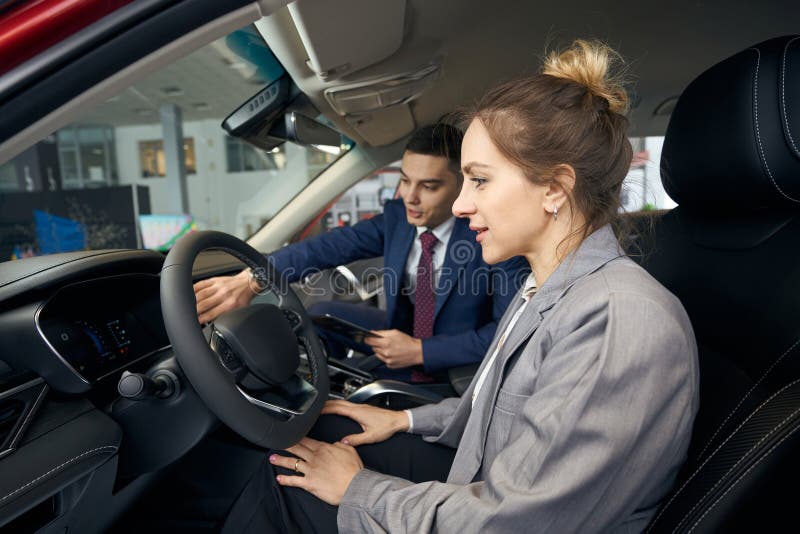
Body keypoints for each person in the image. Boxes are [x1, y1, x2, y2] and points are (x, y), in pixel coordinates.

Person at [221, 40, 699, 533]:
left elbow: (515, 521)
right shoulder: (550, 288)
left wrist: (358, 490)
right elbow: (497, 411)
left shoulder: (616, 320)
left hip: (498, 511)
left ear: (555, 188)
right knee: (321, 435)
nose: (462, 204)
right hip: (486, 476)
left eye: (479, 181)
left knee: (284, 481)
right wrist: (403, 421)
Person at [194, 125, 529, 382]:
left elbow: (505, 332)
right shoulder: (398, 218)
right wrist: (252, 280)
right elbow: (326, 248)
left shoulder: (490, 235)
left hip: (454, 367)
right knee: (319, 313)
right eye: (404, 180)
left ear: (460, 186)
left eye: (428, 186)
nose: (410, 197)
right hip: (402, 329)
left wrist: (419, 351)